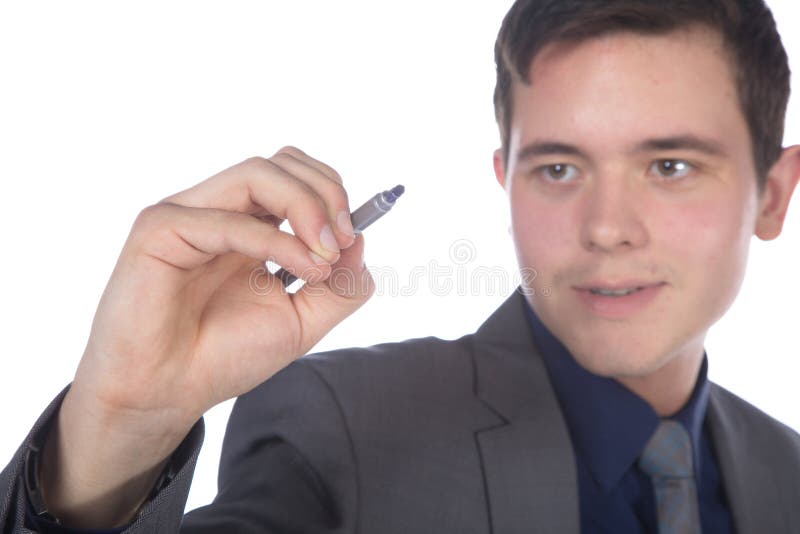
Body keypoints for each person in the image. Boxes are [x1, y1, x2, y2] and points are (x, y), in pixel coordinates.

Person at [2, 0, 800, 532]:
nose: (606, 229)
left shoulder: (788, 476)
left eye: (669, 167)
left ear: (772, 195)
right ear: (506, 183)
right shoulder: (338, 429)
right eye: (558, 169)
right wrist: (122, 427)